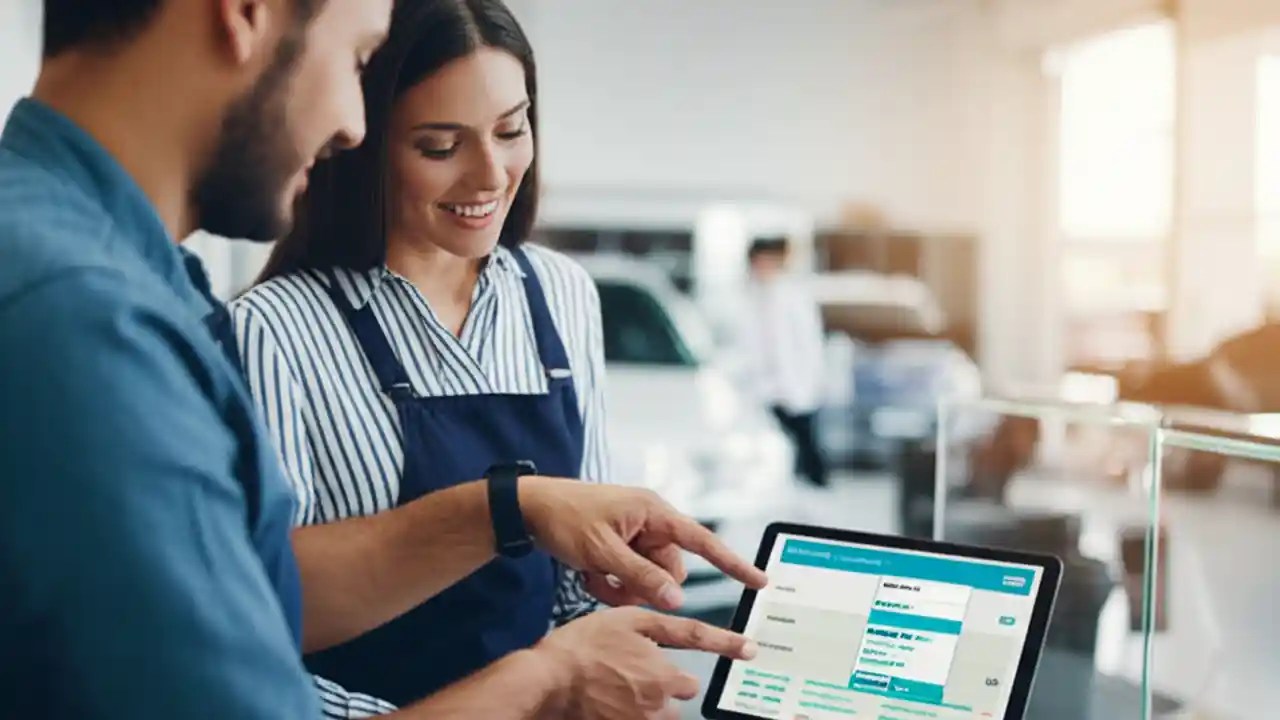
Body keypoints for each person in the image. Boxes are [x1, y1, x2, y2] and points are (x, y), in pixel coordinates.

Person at [0, 1, 765, 718]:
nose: (348, 125)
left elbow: (263, 588)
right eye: (355, 56)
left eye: (511, 130)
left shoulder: (107, 282)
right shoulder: (84, 317)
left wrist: (523, 512)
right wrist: (545, 677)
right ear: (244, 11)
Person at [229, 0, 630, 707]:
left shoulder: (563, 294)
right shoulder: (273, 332)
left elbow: (574, 598)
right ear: (360, 142)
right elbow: (257, 636)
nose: (490, 176)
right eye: (440, 147)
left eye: (511, 130)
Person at [740, 237, 831, 487]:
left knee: (804, 442)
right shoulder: (754, 296)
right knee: (776, 446)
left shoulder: (792, 296)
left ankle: (815, 484)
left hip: (795, 385)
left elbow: (808, 344)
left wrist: (810, 381)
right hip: (765, 386)